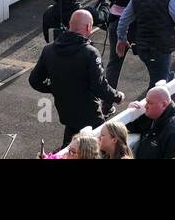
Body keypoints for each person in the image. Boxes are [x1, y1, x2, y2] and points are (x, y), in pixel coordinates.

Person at [28, 9, 123, 145]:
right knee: (98, 149)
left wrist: (55, 88)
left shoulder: (49, 50)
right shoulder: (90, 53)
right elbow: (99, 86)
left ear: (70, 24)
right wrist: (116, 96)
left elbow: (34, 81)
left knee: (69, 147)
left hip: (67, 113)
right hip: (90, 116)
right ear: (88, 27)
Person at [127, 86, 175, 160]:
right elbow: (131, 128)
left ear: (163, 105)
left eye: (150, 103)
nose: (146, 106)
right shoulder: (153, 116)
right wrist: (130, 112)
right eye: (146, 102)